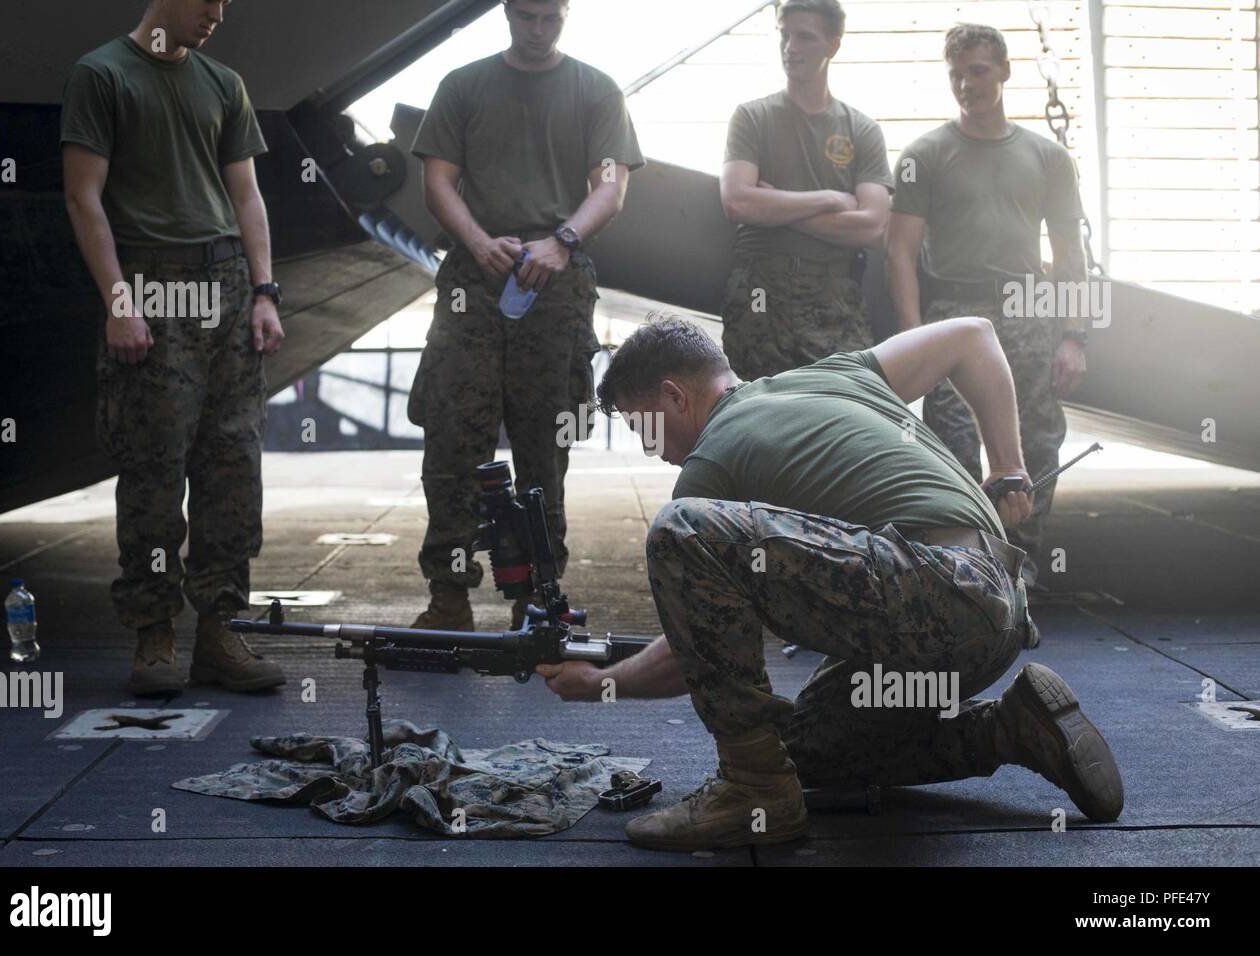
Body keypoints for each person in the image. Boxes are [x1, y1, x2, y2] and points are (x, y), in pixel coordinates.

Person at [536, 315, 1123, 851]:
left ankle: (754, 788)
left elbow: (693, 649)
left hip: (944, 599)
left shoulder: (710, 462)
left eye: (646, 428)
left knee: (678, 530)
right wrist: (1007, 466)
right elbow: (974, 336)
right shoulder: (838, 374)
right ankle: (1012, 729)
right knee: (806, 748)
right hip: (996, 614)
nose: (650, 450)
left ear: (674, 396)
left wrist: (601, 684)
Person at [62, 0, 285, 695]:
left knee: (232, 465)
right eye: (208, 0)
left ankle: (219, 633)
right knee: (155, 469)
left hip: (224, 282)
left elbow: (246, 195)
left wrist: (265, 291)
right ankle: (154, 634)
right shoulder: (102, 76)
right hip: (152, 284)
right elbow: (82, 197)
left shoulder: (224, 83)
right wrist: (118, 303)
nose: (219, 13)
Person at [406, 0, 644, 631]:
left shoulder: (595, 90)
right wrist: (480, 243)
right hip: (474, 280)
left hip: (556, 280)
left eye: (550, 18)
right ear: (508, 12)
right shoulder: (463, 85)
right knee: (454, 438)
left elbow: (612, 185)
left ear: (567, 13)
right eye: (526, 17)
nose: (537, 31)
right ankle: (449, 597)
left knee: (547, 441)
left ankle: (538, 596)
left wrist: (563, 241)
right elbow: (437, 183)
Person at [886, 23, 1090, 586]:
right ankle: (970, 574)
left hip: (1027, 312)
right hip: (953, 314)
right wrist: (912, 344)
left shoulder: (1048, 158)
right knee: (952, 449)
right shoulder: (925, 155)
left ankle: (1017, 572)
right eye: (956, 74)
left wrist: (1075, 335)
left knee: (1035, 442)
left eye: (977, 71)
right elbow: (898, 253)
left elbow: (1071, 255)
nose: (966, 85)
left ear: (1003, 71)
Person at [718, 0, 892, 381]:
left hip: (834, 293)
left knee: (844, 409)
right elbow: (737, 201)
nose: (790, 47)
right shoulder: (753, 117)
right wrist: (828, 200)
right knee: (759, 417)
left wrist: (778, 207)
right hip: (761, 288)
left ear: (833, 45)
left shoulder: (861, 130)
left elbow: (872, 227)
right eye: (784, 35)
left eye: (805, 37)